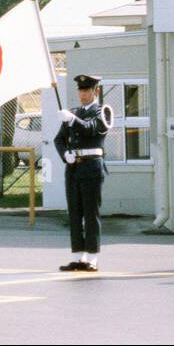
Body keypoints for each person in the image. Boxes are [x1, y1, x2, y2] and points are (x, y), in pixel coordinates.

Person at [54, 74, 112, 272]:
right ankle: (77, 256)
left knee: (90, 213)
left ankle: (92, 258)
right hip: (73, 168)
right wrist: (65, 154)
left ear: (96, 91)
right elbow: (59, 139)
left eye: (87, 90)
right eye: (80, 90)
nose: (83, 94)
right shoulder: (74, 112)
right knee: (75, 213)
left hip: (91, 167)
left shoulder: (102, 111)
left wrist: (72, 119)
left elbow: (90, 129)